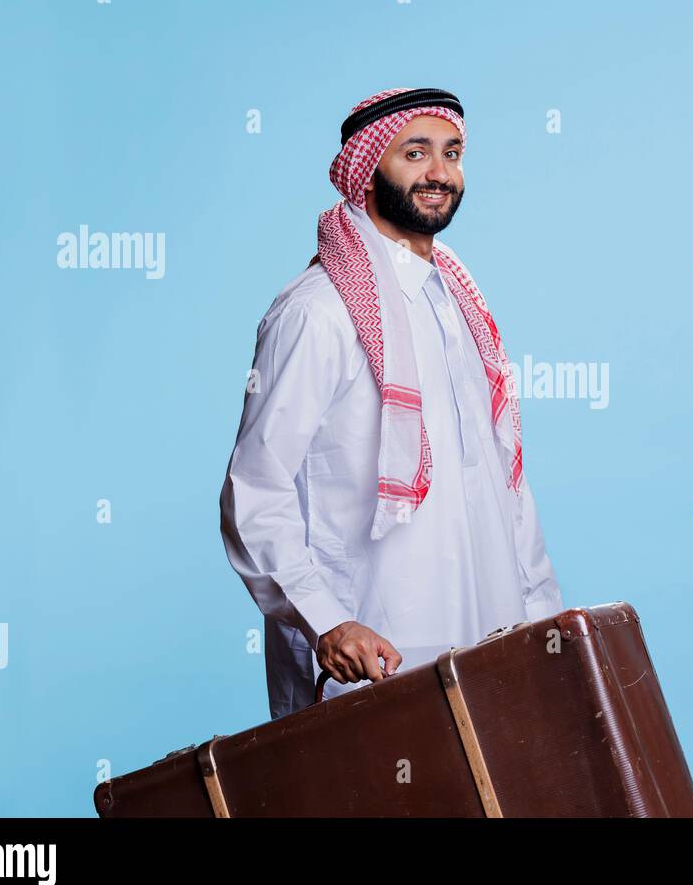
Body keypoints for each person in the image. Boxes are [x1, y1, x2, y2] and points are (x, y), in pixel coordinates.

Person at [219, 87, 563, 720]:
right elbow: (256, 490)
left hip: (490, 644)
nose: (440, 172)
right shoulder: (317, 312)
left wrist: (543, 621)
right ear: (368, 169)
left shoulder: (464, 310)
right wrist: (328, 623)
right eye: (416, 152)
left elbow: (506, 490)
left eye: (452, 153)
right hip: (373, 655)